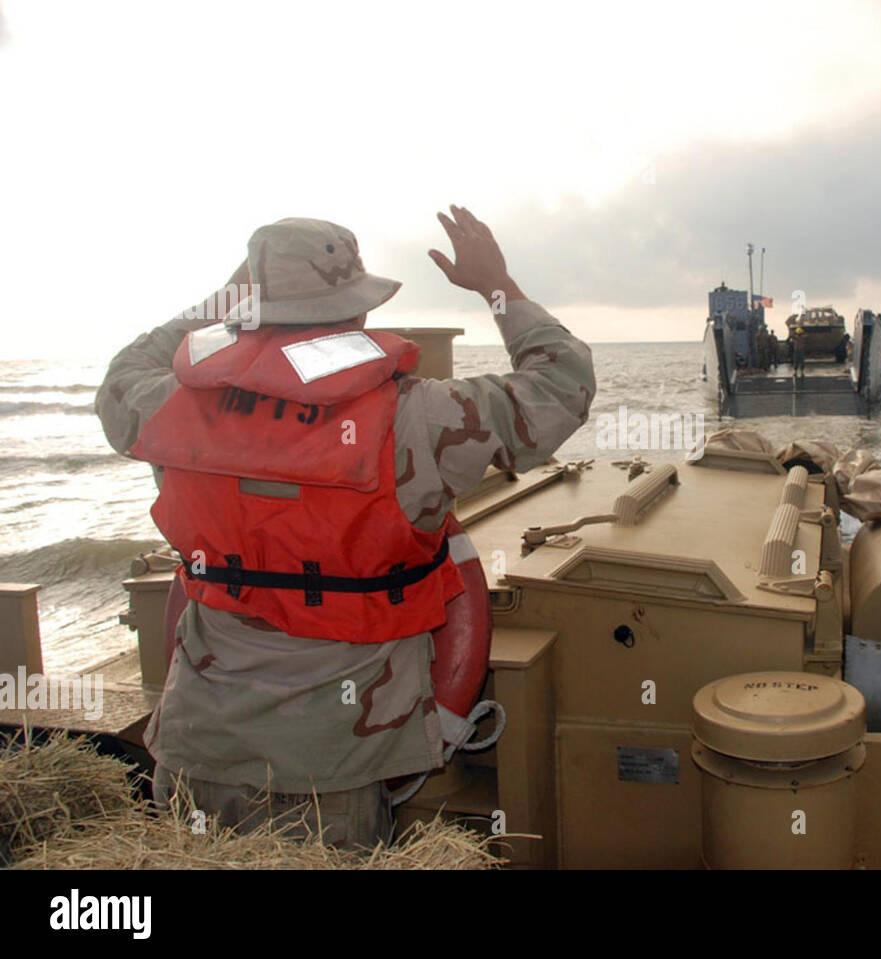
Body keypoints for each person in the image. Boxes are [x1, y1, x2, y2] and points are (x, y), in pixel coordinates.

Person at [95, 207, 596, 847]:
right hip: (332, 768)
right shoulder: (418, 417)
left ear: (246, 305)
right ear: (357, 314)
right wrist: (496, 285)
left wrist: (221, 300)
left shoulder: (166, 408)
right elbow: (563, 385)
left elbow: (121, 376)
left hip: (197, 747)